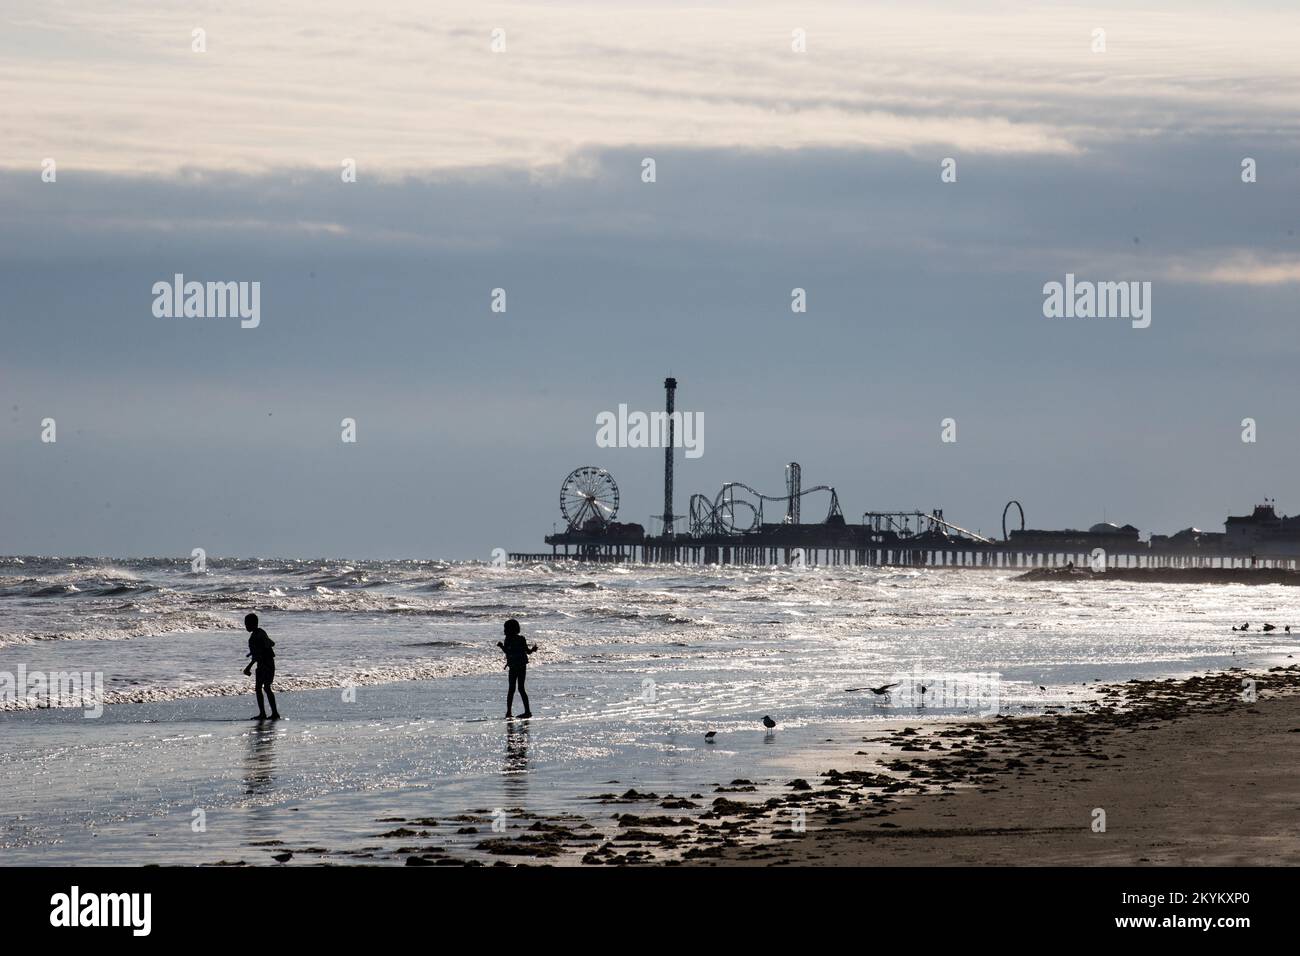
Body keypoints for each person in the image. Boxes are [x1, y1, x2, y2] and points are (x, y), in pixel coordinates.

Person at [242, 612, 281, 720]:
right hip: (268, 663)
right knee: (264, 688)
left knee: (262, 688)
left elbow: (258, 655)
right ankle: (271, 713)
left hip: (265, 664)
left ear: (253, 624)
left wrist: (248, 667)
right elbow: (271, 644)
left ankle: (266, 713)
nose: (246, 626)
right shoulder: (261, 632)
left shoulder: (255, 637)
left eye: (247, 624)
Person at [496, 618, 537, 719]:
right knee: (521, 688)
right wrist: (533, 650)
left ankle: (509, 712)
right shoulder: (521, 638)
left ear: (510, 629)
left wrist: (501, 646)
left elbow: (508, 652)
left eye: (505, 628)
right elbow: (527, 651)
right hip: (522, 665)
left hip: (514, 666)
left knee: (512, 689)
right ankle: (527, 711)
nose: (504, 631)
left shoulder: (508, 640)